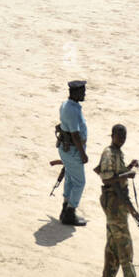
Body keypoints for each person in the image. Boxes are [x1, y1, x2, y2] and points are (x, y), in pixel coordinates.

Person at [94, 123, 139, 277]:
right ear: (112, 135)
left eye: (124, 137)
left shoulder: (116, 152)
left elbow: (112, 173)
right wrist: (127, 175)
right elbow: (107, 178)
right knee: (124, 245)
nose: (122, 139)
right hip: (114, 203)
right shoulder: (109, 153)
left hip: (115, 202)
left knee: (113, 242)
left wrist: (128, 167)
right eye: (119, 136)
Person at [56, 80, 89, 227]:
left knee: (70, 178)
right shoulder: (73, 110)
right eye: (82, 91)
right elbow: (75, 135)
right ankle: (70, 212)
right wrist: (83, 154)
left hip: (66, 148)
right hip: (73, 151)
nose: (84, 93)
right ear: (75, 93)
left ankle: (65, 208)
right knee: (80, 182)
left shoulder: (66, 105)